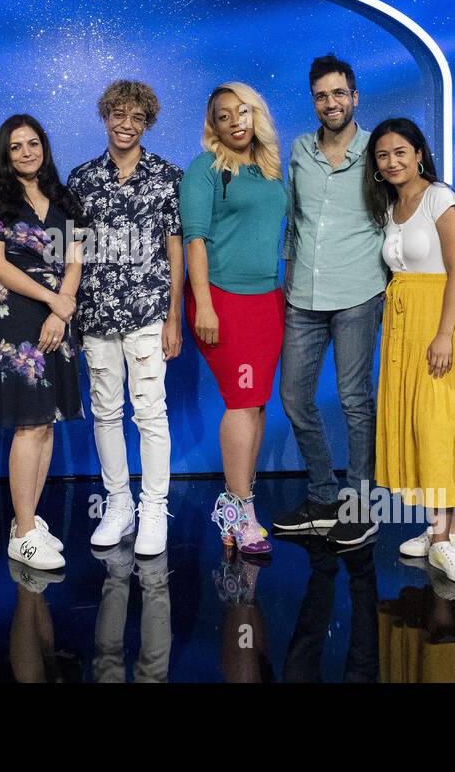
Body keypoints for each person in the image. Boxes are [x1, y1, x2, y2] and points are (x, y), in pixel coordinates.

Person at [366, 117, 455, 586]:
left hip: (442, 318)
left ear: (419, 154)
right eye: (383, 155)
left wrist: (444, 333)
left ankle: (443, 538)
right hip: (401, 325)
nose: (392, 161)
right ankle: (446, 528)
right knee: (418, 423)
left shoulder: (441, 197)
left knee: (439, 423)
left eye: (401, 151)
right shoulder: (391, 206)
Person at [67, 79, 183, 557]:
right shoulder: (81, 179)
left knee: (150, 412)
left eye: (137, 118)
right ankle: (119, 506)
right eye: (119, 115)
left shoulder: (167, 177)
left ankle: (154, 509)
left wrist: (175, 315)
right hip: (95, 313)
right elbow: (72, 250)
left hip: (148, 311)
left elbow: (176, 252)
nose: (126, 125)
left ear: (147, 123)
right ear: (105, 116)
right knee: (106, 411)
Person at [275, 54, 387, 547]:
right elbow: (292, 221)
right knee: (295, 398)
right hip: (304, 296)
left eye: (339, 93)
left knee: (354, 401)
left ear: (355, 96)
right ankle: (323, 496)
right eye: (321, 95)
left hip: (361, 291)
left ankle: (361, 505)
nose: (331, 103)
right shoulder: (299, 149)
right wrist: (287, 276)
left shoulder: (377, 149)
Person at [180, 82, 288, 557]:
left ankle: (237, 504)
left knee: (257, 403)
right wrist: (203, 303)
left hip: (268, 300)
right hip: (223, 298)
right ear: (214, 126)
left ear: (256, 113)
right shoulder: (204, 170)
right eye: (224, 116)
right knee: (242, 403)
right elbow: (195, 239)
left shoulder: (270, 170)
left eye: (242, 112)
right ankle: (240, 510)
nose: (235, 122)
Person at [0, 114, 86, 570]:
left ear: (44, 147)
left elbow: (77, 259)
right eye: (16, 145)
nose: (26, 152)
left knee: (47, 421)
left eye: (33, 143)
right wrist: (53, 301)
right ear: (5, 152)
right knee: (28, 421)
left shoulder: (64, 198)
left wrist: (65, 304)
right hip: (16, 316)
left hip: (58, 315)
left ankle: (29, 521)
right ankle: (21, 532)